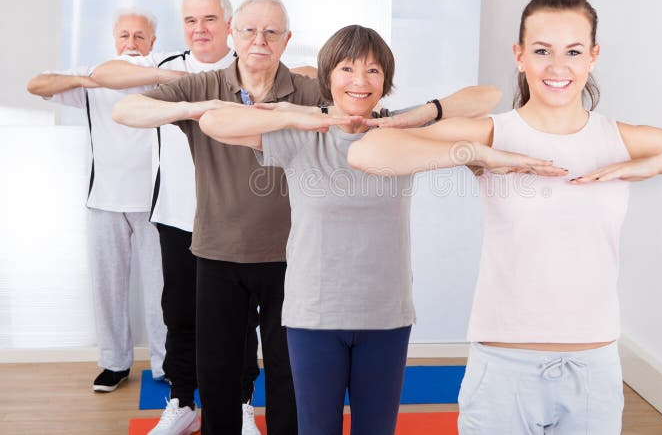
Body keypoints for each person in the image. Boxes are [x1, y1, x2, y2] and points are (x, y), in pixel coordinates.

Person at [346, 0, 662, 434]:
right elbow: (367, 153)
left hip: (593, 370)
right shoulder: (493, 132)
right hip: (504, 368)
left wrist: (661, 162)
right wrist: (478, 153)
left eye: (573, 51)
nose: (557, 67)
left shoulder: (623, 139)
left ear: (593, 56)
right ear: (519, 56)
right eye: (541, 51)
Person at [197, 24, 542, 435]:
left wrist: (420, 114)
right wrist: (300, 114)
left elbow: (489, 96)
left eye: (373, 70)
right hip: (314, 316)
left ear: (385, 81)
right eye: (347, 68)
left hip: (385, 315)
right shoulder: (302, 136)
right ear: (327, 77)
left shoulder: (400, 131)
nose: (359, 81)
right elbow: (213, 122)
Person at [93, 0, 280, 435]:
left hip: (234, 221)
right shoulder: (165, 66)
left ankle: (241, 403)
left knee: (240, 322)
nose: (200, 29)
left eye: (210, 19)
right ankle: (183, 401)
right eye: (191, 21)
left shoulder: (248, 66)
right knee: (179, 313)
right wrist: (180, 87)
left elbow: (303, 75)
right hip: (178, 216)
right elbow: (105, 74)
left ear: (229, 26)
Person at [27, 9, 167, 393]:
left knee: (162, 290)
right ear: (114, 39)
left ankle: (166, 363)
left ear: (152, 42)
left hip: (155, 201)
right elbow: (35, 84)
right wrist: (90, 79)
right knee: (108, 289)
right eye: (124, 35)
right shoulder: (94, 76)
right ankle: (114, 363)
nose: (131, 43)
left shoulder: (159, 70)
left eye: (140, 36)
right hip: (105, 200)